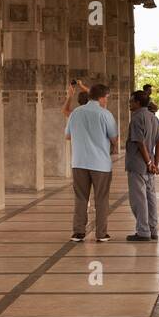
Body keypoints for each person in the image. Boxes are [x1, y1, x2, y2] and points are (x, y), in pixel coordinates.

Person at [65, 82, 118, 242]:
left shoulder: (76, 113)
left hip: (79, 162)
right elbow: (114, 138)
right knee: (101, 198)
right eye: (106, 98)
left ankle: (78, 232)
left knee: (81, 197)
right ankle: (101, 234)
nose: (106, 101)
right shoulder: (105, 114)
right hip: (100, 163)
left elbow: (68, 136)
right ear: (102, 97)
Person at [125, 90, 159, 241]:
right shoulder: (153, 118)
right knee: (150, 197)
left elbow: (140, 143)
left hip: (138, 164)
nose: (129, 103)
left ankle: (143, 231)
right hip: (150, 165)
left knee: (138, 198)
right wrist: (155, 163)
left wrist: (148, 162)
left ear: (138, 102)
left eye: (131, 101)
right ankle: (153, 229)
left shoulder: (136, 118)